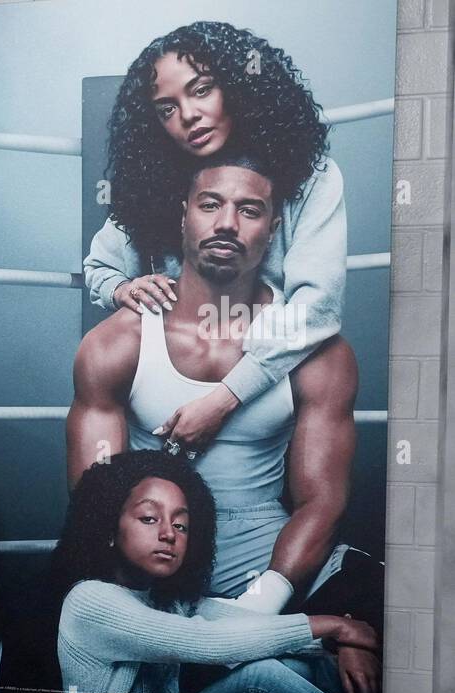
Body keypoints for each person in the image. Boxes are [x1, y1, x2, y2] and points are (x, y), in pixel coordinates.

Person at [68, 152, 380, 693]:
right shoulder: (119, 343)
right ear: (182, 215)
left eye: (250, 209)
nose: (227, 224)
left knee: (325, 683)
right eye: (210, 204)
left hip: (272, 564)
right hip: (159, 568)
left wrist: (265, 606)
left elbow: (322, 501)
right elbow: (97, 497)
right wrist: (188, 617)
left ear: (275, 228)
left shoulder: (319, 353)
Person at [84, 21, 346, 453]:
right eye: (166, 108)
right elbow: (99, 267)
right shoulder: (157, 183)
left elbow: (315, 310)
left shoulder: (311, 177)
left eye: (201, 89)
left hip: (267, 384)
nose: (187, 115)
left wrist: (226, 396)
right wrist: (124, 288)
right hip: (170, 386)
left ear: (239, 88)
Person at [54, 450, 374, 693]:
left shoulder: (168, 600)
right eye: (149, 518)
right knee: (258, 681)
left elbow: (250, 627)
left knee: (300, 667)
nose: (168, 534)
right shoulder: (89, 601)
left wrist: (339, 645)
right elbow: (207, 640)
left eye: (181, 525)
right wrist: (337, 627)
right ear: (109, 530)